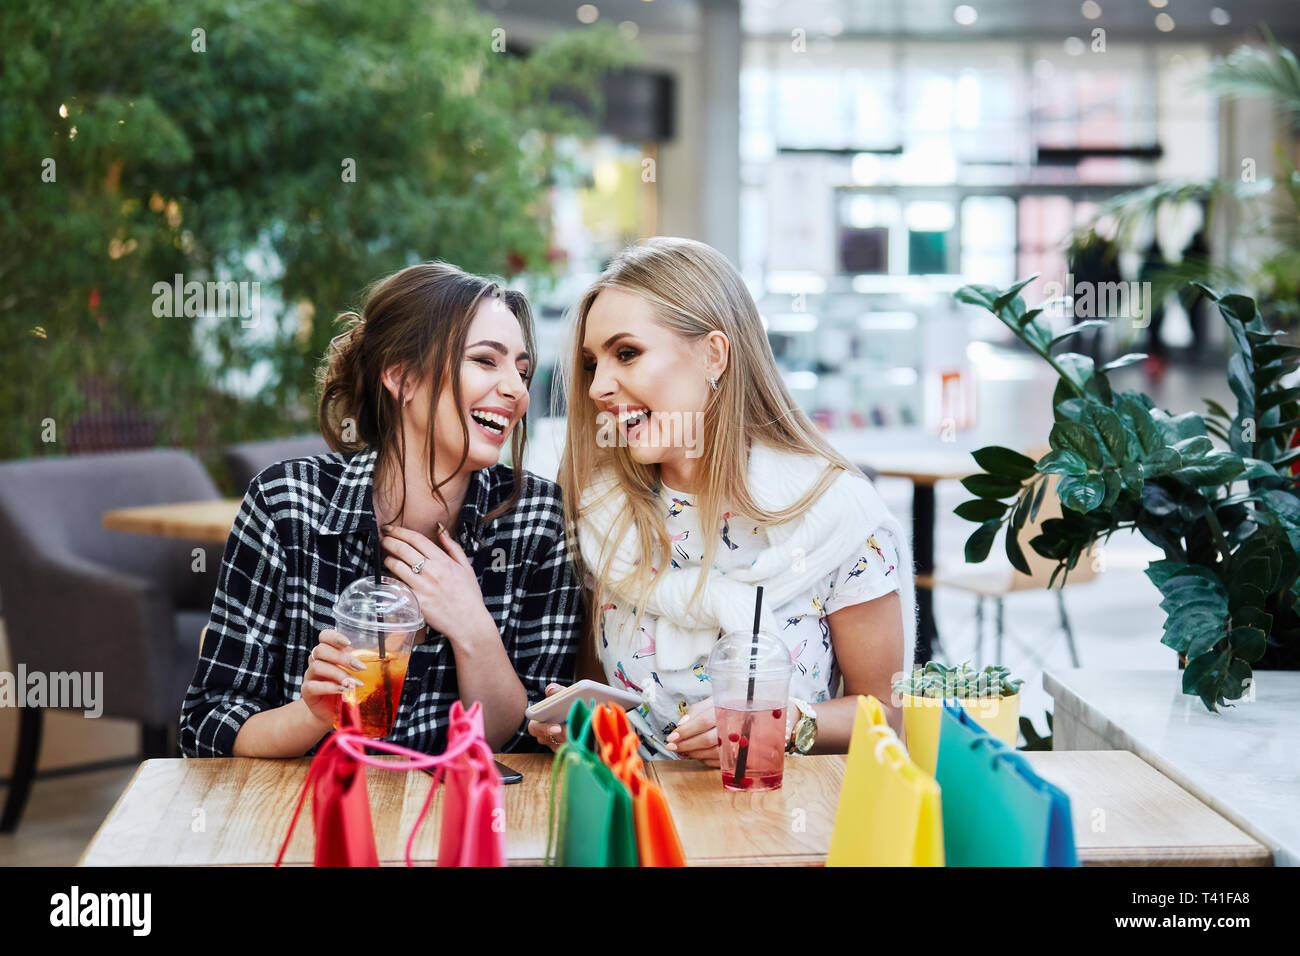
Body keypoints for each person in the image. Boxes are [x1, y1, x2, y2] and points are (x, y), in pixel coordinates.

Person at [528, 237, 917, 764]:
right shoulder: (603, 515)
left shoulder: (833, 513)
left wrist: (786, 723)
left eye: (627, 353)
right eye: (592, 363)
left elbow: (889, 716)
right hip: (639, 823)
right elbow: (601, 692)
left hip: (783, 825)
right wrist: (582, 724)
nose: (598, 386)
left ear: (714, 354)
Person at [180, 262, 583, 757]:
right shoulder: (287, 504)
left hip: (465, 823)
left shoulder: (538, 520)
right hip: (312, 823)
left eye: (521, 371)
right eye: (485, 361)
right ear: (401, 375)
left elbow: (532, 741)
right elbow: (207, 727)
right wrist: (313, 713)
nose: (518, 391)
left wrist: (472, 625)